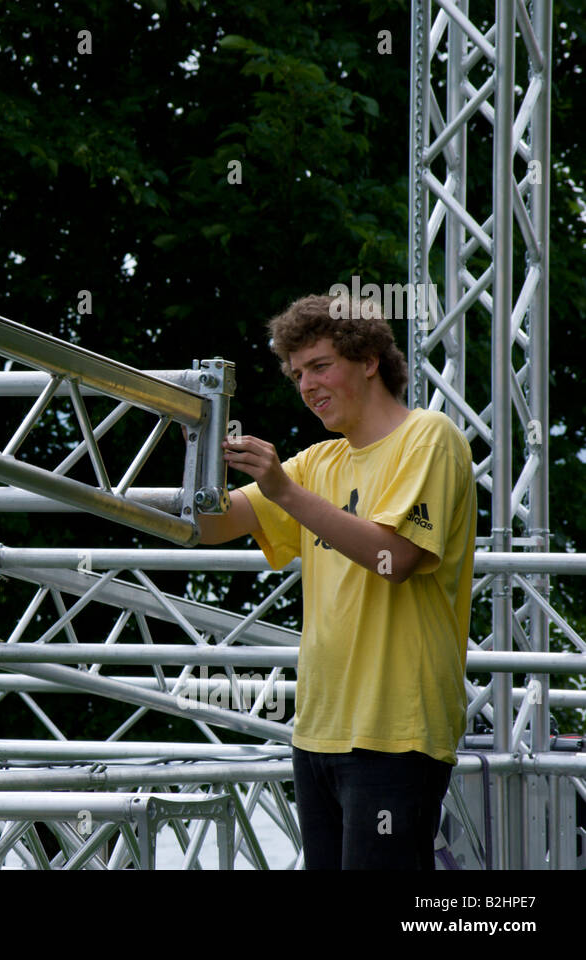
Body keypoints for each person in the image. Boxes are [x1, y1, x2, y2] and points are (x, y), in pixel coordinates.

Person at [196, 293, 477, 870]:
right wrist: (196, 457)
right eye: (297, 373)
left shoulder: (429, 435)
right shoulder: (316, 462)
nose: (306, 384)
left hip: (396, 733)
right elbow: (208, 528)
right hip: (318, 733)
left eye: (320, 366)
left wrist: (285, 491)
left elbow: (392, 559)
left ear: (369, 359)